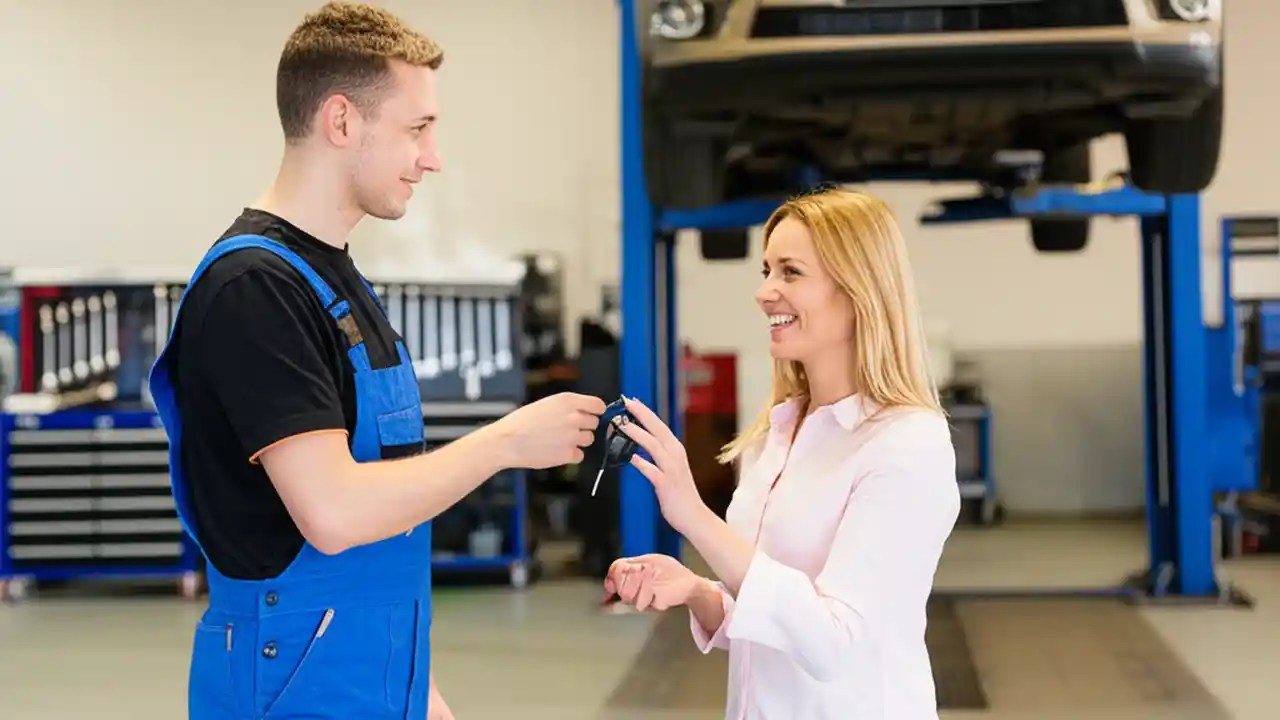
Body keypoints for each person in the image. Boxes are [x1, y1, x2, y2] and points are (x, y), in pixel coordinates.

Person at [147, 3, 606, 719]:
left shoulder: (332, 279)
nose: (434, 155)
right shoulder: (255, 291)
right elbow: (332, 510)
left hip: (363, 675)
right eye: (417, 128)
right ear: (340, 122)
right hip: (289, 688)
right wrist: (507, 443)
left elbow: (376, 518)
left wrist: (411, 682)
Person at [604, 187, 961, 719]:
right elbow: (773, 615)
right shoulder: (780, 431)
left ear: (858, 290)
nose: (765, 292)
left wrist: (695, 518)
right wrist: (699, 593)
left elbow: (832, 640)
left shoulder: (907, 445)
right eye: (766, 270)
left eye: (790, 272)